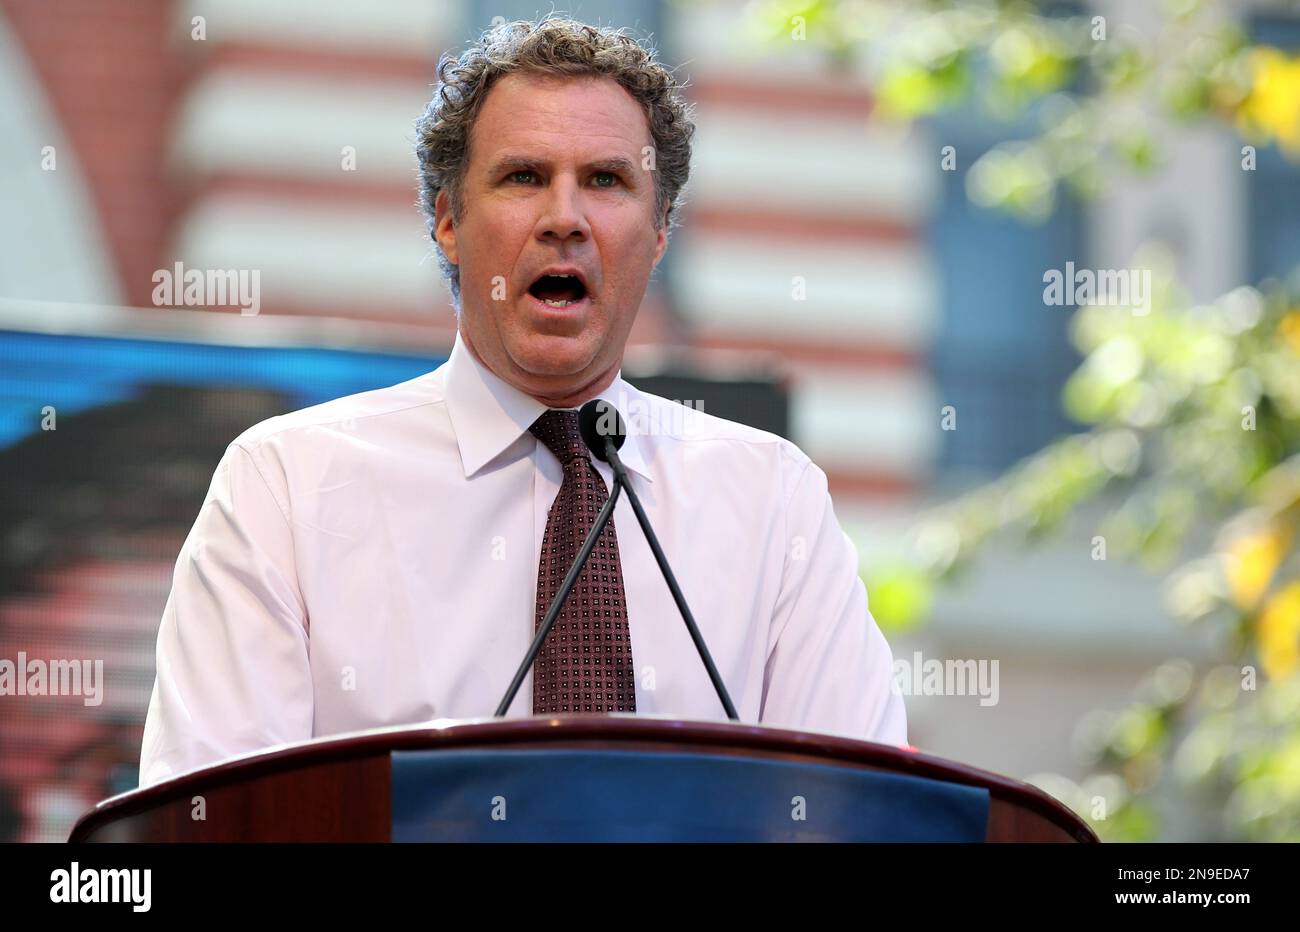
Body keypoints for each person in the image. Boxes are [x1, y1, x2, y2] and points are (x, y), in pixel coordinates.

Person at [138, 17, 906, 788]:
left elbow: (862, 811)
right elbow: (213, 813)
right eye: (523, 177)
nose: (565, 219)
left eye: (606, 180)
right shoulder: (286, 487)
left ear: (661, 230)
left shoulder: (774, 499)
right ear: (447, 221)